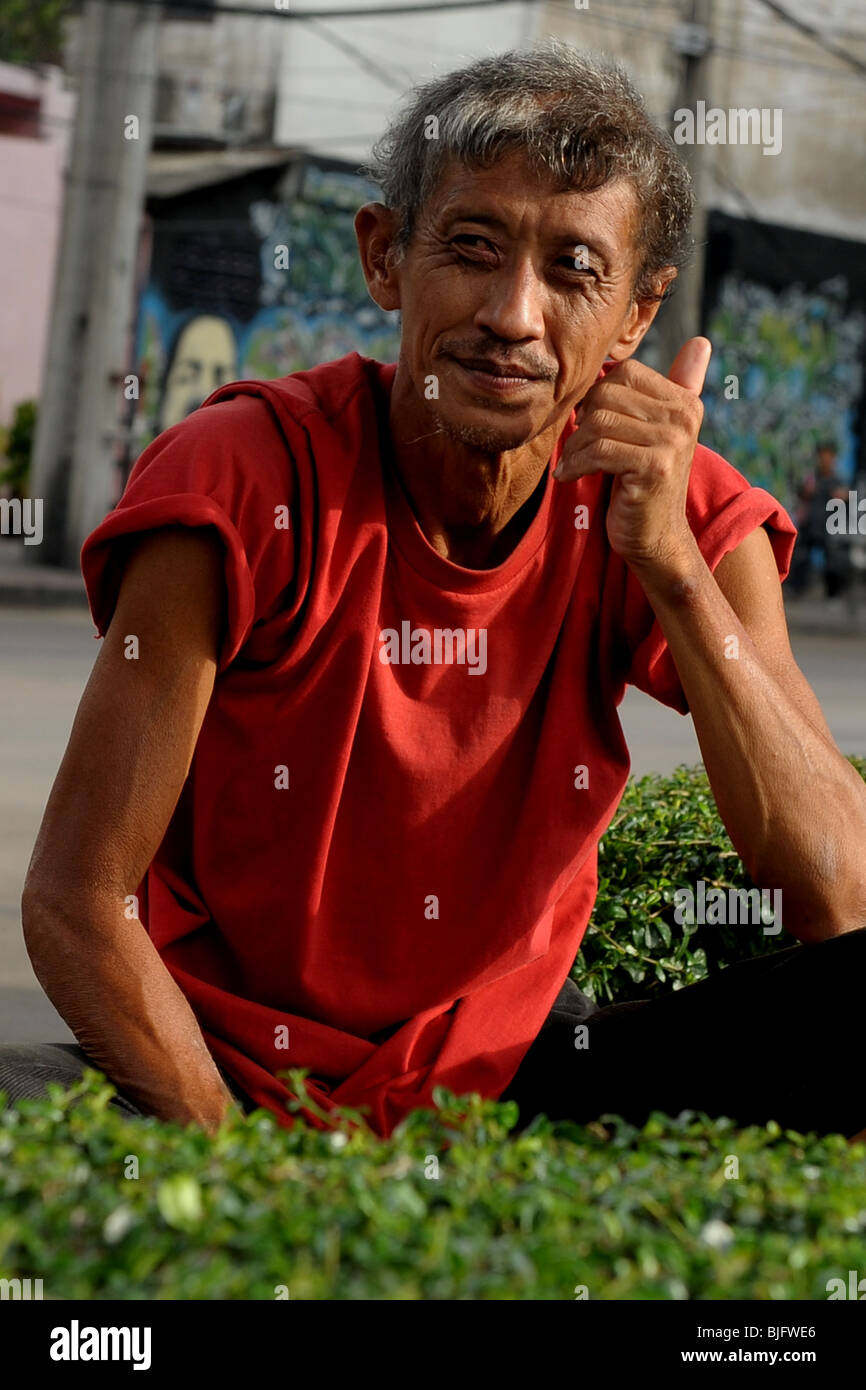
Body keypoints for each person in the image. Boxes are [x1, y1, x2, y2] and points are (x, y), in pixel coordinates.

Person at [7, 43, 866, 1143]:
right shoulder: (240, 473)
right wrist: (244, 1181)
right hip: (215, 1058)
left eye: (572, 269)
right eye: (471, 247)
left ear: (637, 317)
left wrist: (669, 565)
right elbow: (79, 900)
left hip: (510, 1069)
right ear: (383, 257)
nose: (512, 314)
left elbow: (835, 895)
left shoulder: (676, 503)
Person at [789, 442, 851, 597]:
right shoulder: (812, 478)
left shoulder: (838, 481)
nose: (825, 460)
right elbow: (800, 496)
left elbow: (850, 503)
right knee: (799, 554)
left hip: (830, 529)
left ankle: (835, 592)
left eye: (828, 456)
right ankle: (797, 588)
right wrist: (806, 491)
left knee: (836, 556)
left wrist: (845, 497)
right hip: (811, 527)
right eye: (822, 456)